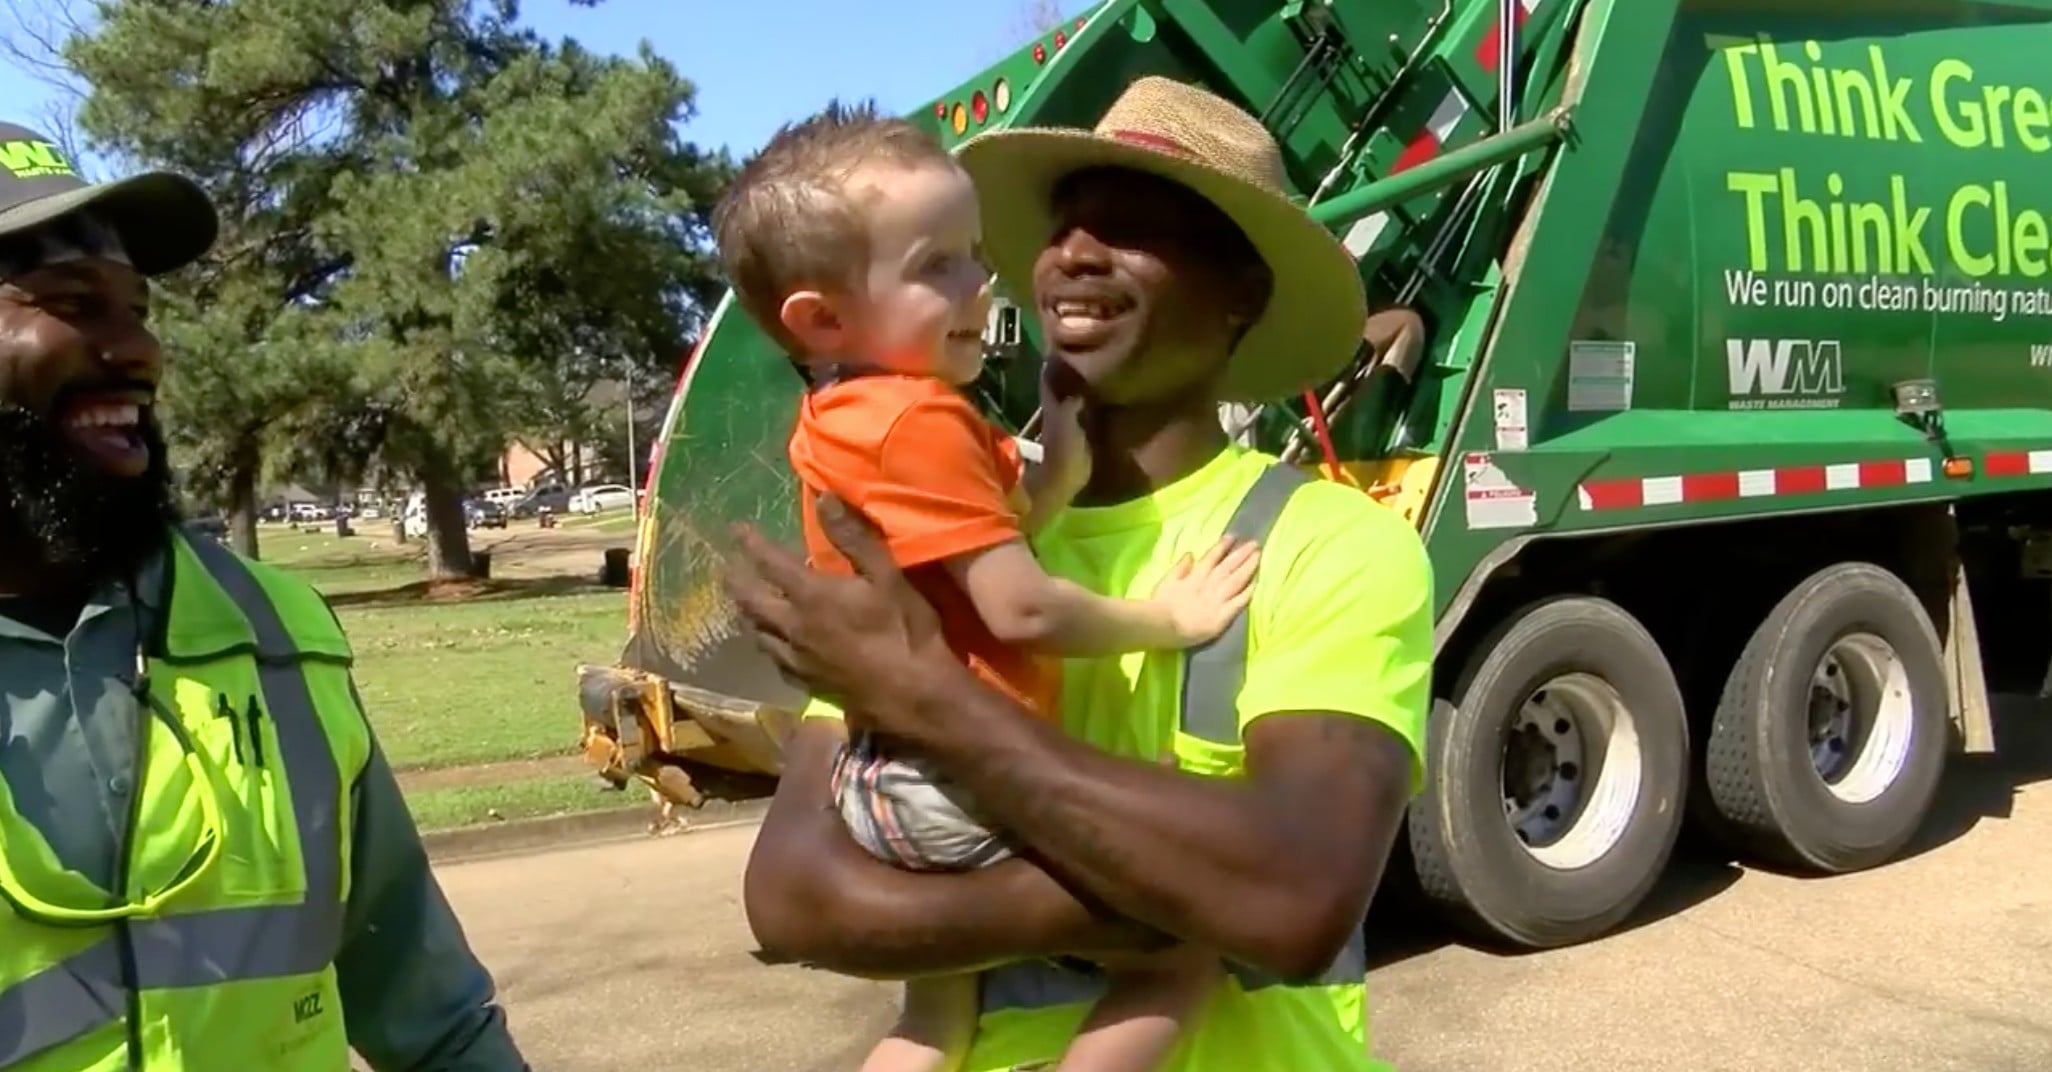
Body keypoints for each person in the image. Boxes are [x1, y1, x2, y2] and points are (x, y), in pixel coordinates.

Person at [724, 76, 1434, 1072]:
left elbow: (1295, 893)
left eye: (1136, 226)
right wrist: (1163, 906)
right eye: (1062, 227)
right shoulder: (954, 522)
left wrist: (936, 704)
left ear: (1243, 295)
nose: (1074, 254)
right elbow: (795, 896)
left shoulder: (1333, 547)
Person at [0, 121, 529, 1070]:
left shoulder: (278, 636)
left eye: (138, 309)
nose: (138, 351)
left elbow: (435, 1018)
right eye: (76, 304)